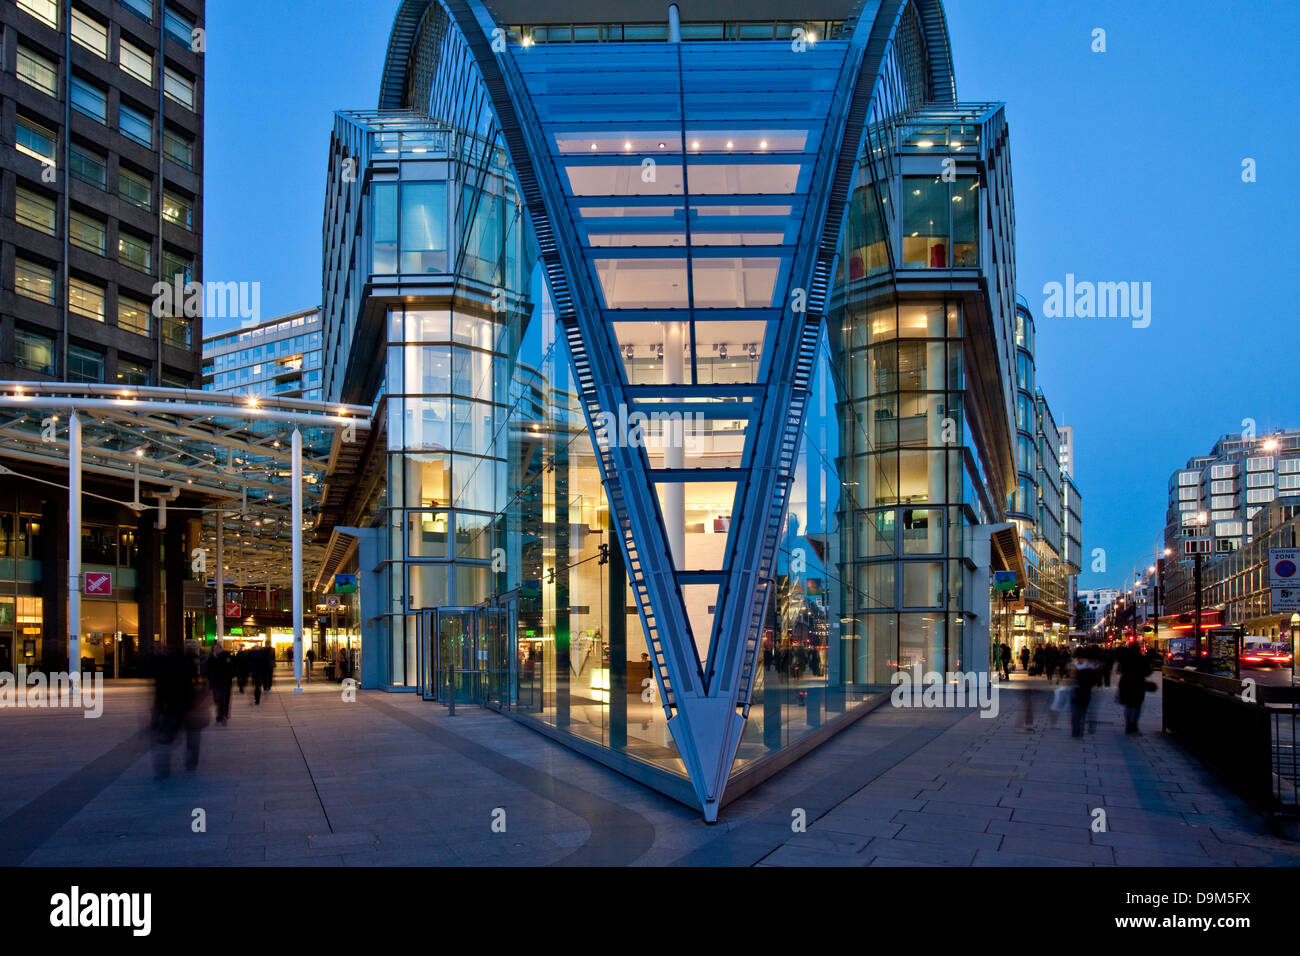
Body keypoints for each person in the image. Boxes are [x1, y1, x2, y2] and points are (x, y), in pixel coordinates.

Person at [152, 648, 208, 778]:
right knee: (193, 738)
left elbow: (159, 695)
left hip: (170, 709)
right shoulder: (188, 670)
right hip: (189, 709)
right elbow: (195, 688)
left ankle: (163, 769)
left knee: (166, 739)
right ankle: (191, 762)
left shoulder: (164, 673)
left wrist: (156, 713)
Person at [1116, 641, 1152, 734]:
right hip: (1138, 683)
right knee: (1137, 705)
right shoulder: (1142, 659)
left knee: (1128, 705)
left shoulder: (1125, 658)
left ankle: (1128, 724)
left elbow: (1119, 670)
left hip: (1126, 683)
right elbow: (1148, 671)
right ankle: (1134, 724)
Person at [1070, 645, 1102, 737]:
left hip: (1078, 690)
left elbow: (1071, 678)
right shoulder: (1091, 665)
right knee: (1082, 711)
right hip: (1085, 691)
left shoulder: (1075, 665)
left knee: (1076, 711)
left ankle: (1076, 730)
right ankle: (1080, 728)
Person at [205, 641, 234, 725]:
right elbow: (208, 669)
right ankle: (220, 713)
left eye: (218, 648)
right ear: (213, 650)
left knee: (225, 698)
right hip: (216, 681)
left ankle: (223, 715)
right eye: (215, 649)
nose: (217, 650)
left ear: (221, 649)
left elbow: (232, 666)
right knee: (217, 699)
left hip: (226, 681)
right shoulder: (211, 658)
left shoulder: (226, 656)